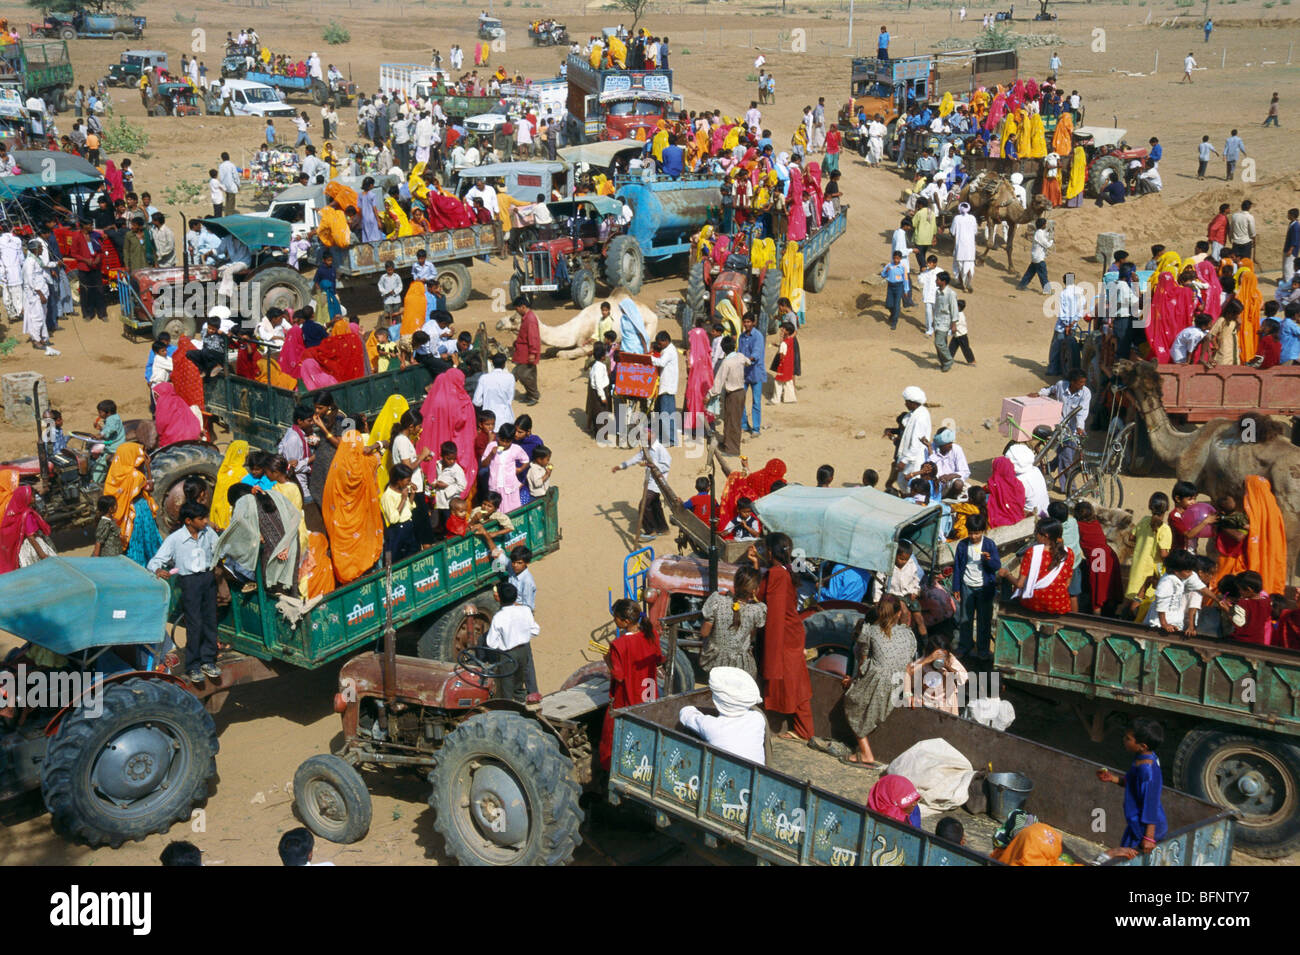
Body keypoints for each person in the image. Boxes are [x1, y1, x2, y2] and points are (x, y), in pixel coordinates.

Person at [841, 594, 916, 768]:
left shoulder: (870, 631)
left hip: (877, 679)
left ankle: (866, 753)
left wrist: (854, 681)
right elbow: (908, 667)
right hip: (897, 682)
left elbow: (862, 663)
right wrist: (908, 692)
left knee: (852, 704)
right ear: (898, 614)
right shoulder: (908, 635)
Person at [148, 501, 220, 684]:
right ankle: (193, 665)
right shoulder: (175, 539)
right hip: (190, 582)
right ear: (188, 521)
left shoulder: (208, 533)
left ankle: (208, 660)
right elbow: (156, 561)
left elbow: (220, 548)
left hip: (208, 579)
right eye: (201, 518)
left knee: (210, 620)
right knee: (195, 623)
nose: (206, 521)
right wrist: (158, 570)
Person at [754, 532, 812, 740]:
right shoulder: (784, 571)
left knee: (793, 681)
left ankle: (804, 730)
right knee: (797, 680)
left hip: (784, 636)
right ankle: (804, 729)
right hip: (791, 633)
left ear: (770, 551)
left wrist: (771, 656)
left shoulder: (778, 575)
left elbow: (776, 615)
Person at [599, 599, 663, 769]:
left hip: (628, 698)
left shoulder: (619, 645)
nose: (615, 621)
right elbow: (658, 659)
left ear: (626, 622)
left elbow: (619, 676)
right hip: (648, 695)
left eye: (616, 618)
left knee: (614, 734)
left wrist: (608, 660)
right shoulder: (651, 635)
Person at [1096, 718, 1168, 859]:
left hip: (1146, 828)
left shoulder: (1147, 771)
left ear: (1142, 746)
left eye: (1128, 739)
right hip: (1136, 823)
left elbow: (1151, 802)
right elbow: (1133, 783)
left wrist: (1149, 837)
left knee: (1127, 857)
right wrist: (1113, 779)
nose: (1124, 740)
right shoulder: (1141, 757)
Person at [679, 667, 766, 765]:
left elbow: (685, 713)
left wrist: (704, 711)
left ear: (717, 701)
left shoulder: (711, 725)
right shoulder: (758, 718)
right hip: (756, 774)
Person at [1000, 518, 1074, 614]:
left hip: (1034, 604)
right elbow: (1067, 583)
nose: (1035, 535)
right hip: (1059, 604)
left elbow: (1019, 584)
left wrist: (1006, 574)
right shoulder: (1069, 553)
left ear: (1045, 536)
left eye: (1036, 533)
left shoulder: (1032, 552)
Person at [953, 513, 1000, 661]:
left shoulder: (989, 545)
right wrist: (956, 588)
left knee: (983, 620)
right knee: (965, 619)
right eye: (971, 533)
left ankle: (983, 650)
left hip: (984, 588)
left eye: (977, 533)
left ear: (983, 531)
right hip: (967, 586)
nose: (974, 536)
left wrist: (988, 560)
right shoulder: (962, 545)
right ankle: (964, 647)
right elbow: (958, 568)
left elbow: (996, 566)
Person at [483, 581, 539, 704]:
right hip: (523, 650)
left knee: (506, 686)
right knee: (519, 683)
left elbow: (491, 643)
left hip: (507, 655)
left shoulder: (499, 617)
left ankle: (509, 708)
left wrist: (503, 644)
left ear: (500, 599)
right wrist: (522, 637)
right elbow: (535, 630)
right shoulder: (525, 610)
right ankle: (522, 703)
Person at [613, 425, 671, 541]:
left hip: (657, 483)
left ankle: (650, 531)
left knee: (643, 505)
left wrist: (652, 465)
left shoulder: (660, 449)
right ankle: (663, 528)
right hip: (649, 482)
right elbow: (635, 459)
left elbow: (666, 465)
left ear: (653, 434)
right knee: (655, 505)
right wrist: (621, 466)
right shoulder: (646, 448)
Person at [1126, 492, 1173, 608]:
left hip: (1137, 565)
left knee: (1133, 594)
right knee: (1143, 598)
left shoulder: (1144, 520)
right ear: (1167, 508)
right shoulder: (1165, 529)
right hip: (1151, 570)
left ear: (1150, 507)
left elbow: (1131, 537)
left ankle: (1126, 617)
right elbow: (1163, 554)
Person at [883, 386, 930, 493]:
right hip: (909, 457)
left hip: (913, 460)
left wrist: (904, 461)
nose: (905, 404)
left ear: (913, 402)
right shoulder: (916, 413)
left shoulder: (920, 418)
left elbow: (915, 443)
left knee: (911, 486)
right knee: (903, 484)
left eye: (907, 402)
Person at [707, 335, 747, 456]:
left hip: (733, 394)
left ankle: (733, 449)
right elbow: (748, 361)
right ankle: (727, 443)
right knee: (732, 419)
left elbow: (718, 383)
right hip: (741, 392)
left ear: (723, 349)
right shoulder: (740, 356)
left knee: (732, 421)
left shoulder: (726, 362)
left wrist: (709, 395)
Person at [481, 422, 530, 513]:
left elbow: (526, 460)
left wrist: (520, 469)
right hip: (495, 488)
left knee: (512, 512)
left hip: (509, 488)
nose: (503, 443)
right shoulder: (491, 446)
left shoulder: (516, 449)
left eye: (507, 442)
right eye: (501, 440)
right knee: (495, 513)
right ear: (498, 437)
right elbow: (483, 464)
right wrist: (491, 454)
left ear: (512, 440)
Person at [508, 296, 541, 405]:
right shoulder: (527, 318)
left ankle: (533, 396)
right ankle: (530, 394)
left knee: (524, 375)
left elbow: (533, 337)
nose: (517, 312)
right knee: (528, 375)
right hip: (524, 352)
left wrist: (533, 353)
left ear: (523, 307)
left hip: (527, 354)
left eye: (517, 309)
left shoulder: (530, 320)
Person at [738, 312, 766, 434]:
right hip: (743, 374)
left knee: (756, 402)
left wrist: (747, 360)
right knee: (741, 400)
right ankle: (744, 425)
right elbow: (739, 352)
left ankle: (756, 428)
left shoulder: (758, 336)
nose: (746, 324)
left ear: (753, 323)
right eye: (745, 322)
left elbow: (756, 353)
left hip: (755, 373)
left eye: (749, 322)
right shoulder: (741, 337)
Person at [1016, 218, 1053, 293]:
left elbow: (1045, 234)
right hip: (1038, 258)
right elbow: (1047, 245)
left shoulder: (1039, 232)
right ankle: (1047, 290)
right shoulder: (1039, 234)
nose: (1046, 225)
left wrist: (1049, 233)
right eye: (1045, 224)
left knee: (1030, 273)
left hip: (1035, 257)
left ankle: (1021, 285)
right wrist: (1052, 239)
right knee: (1043, 274)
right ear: (1042, 225)